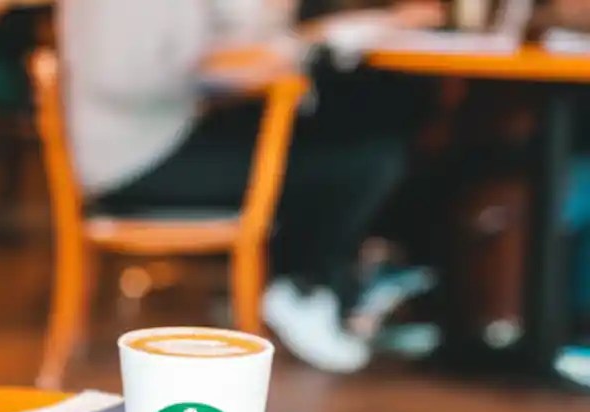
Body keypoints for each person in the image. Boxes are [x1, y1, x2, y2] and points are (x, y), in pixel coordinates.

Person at [61, 0, 441, 372]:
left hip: (157, 136)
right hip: (136, 162)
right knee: (363, 158)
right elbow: (126, 75)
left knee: (354, 127)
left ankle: (325, 284)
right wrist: (234, 67)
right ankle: (302, 287)